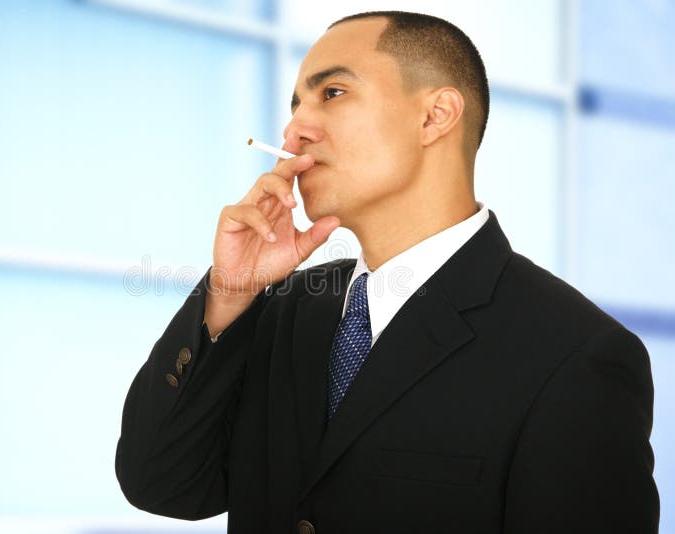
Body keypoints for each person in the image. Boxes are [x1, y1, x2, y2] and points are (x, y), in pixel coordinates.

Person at [115, 11, 659, 533]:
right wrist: (231, 294)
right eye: (295, 105)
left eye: (332, 93)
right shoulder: (281, 309)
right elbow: (162, 484)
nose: (294, 129)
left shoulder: (574, 355)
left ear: (435, 116)